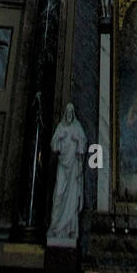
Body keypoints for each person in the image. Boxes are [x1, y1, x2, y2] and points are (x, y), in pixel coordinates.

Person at [47, 103, 87, 246]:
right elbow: (53, 145)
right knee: (58, 194)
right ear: (65, 113)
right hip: (63, 166)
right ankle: (56, 226)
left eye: (72, 112)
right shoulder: (61, 127)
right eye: (67, 112)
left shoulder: (77, 128)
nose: (69, 114)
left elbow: (83, 147)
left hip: (73, 167)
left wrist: (78, 141)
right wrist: (59, 138)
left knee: (71, 196)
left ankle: (69, 228)